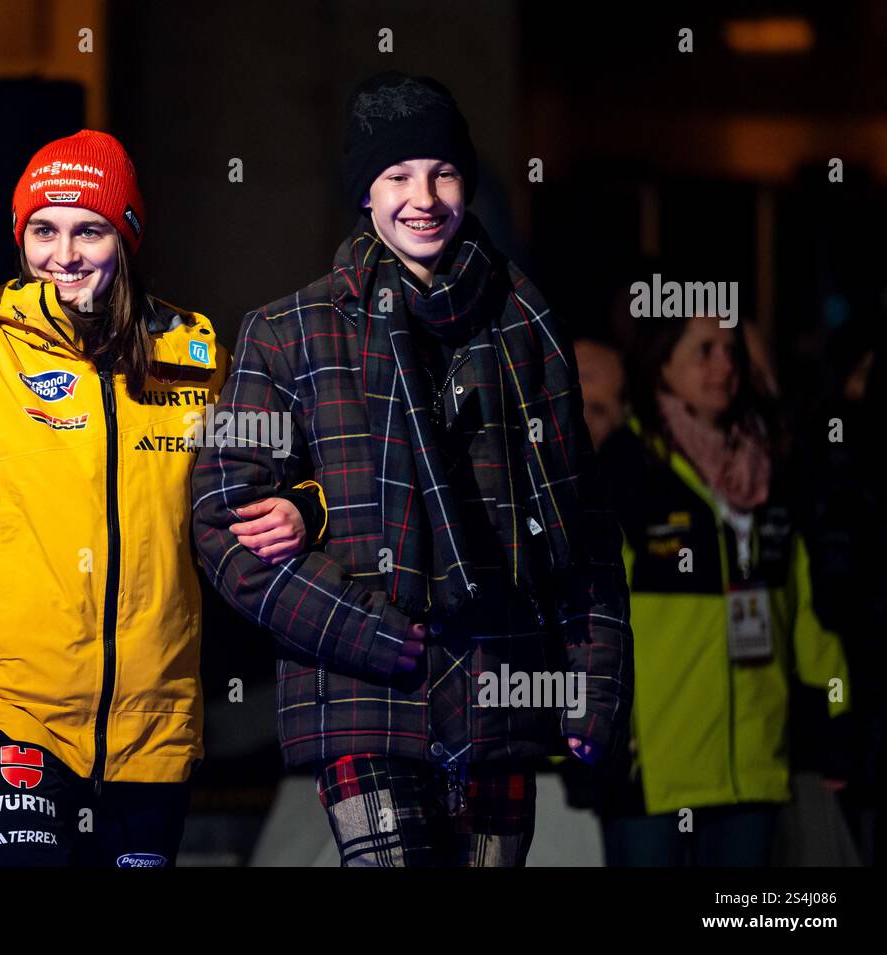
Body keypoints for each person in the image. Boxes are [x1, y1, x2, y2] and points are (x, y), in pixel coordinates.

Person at [0, 65, 319, 866]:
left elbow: (300, 459)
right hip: (11, 716)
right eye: (43, 230)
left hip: (151, 733)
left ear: (129, 236)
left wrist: (304, 510)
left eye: (90, 230)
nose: (64, 255)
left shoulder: (196, 356)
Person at [192, 71, 633, 867]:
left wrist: (594, 684)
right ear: (364, 192)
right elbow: (225, 524)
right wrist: (370, 633)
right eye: (396, 175)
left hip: (502, 684)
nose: (422, 196)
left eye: (443, 172)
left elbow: (585, 527)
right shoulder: (287, 333)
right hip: (363, 692)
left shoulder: (526, 325)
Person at [595, 315, 851, 866]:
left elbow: (803, 613)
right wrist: (599, 730)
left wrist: (837, 721)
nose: (725, 366)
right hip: (656, 770)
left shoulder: (770, 465)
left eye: (732, 351)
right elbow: (594, 611)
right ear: (663, 362)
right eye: (704, 350)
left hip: (754, 768)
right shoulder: (627, 463)